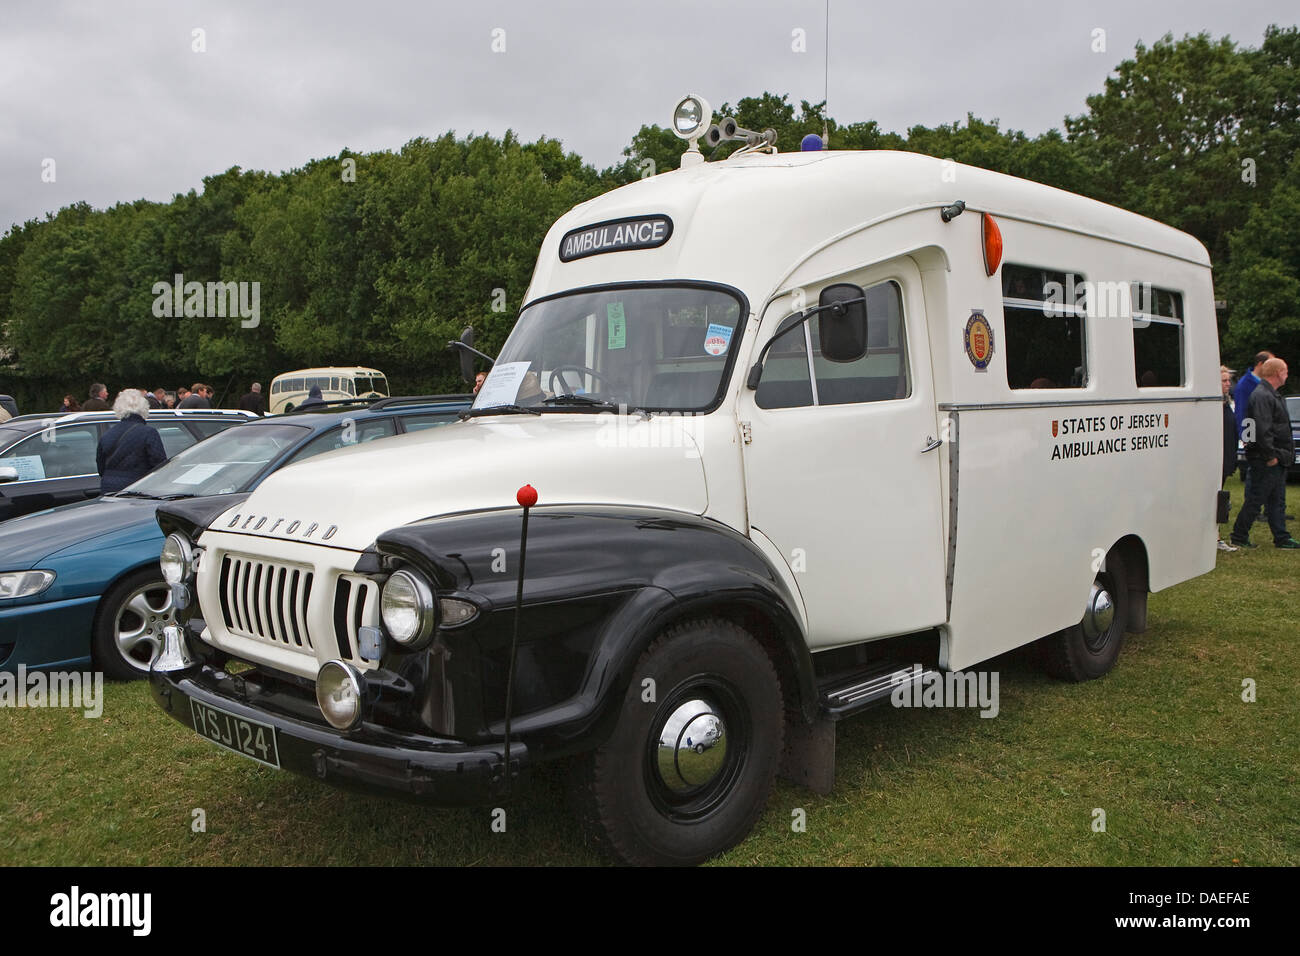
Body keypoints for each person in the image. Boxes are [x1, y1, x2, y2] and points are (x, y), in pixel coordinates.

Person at [1230, 357, 1298, 549]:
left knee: (1277, 500)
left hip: (1277, 456)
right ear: (1277, 373)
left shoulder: (1271, 394)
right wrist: (1270, 456)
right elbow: (1262, 429)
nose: (1287, 375)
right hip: (1267, 458)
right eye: (1285, 371)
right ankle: (1239, 535)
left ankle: (1282, 537)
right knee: (1256, 498)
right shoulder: (1262, 396)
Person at [96, 389, 167, 493]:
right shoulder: (148, 433)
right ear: (144, 407)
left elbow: (101, 467)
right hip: (137, 488)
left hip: (109, 488)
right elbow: (159, 465)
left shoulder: (108, 434)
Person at [1219, 366, 1238, 552]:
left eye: (1228, 380)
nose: (1228, 384)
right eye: (1224, 381)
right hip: (1218, 459)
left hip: (1227, 457)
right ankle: (1215, 538)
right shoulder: (1215, 406)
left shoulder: (1227, 404)